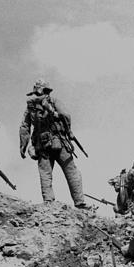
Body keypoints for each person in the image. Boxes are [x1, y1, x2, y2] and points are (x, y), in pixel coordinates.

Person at [19, 79, 86, 208]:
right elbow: (66, 115)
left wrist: (23, 145)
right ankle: (80, 202)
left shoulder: (30, 107)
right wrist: (68, 131)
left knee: (45, 173)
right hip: (59, 141)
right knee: (71, 170)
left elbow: (24, 127)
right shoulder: (54, 101)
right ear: (47, 91)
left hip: (42, 144)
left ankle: (48, 202)